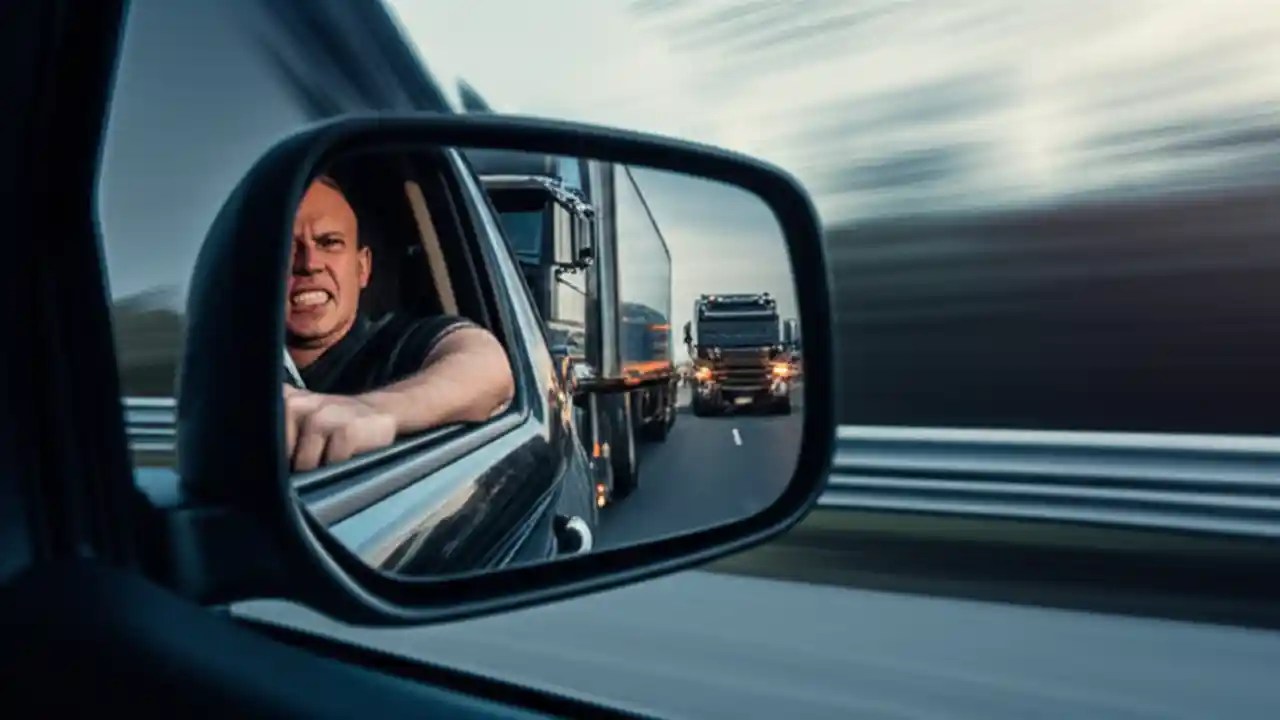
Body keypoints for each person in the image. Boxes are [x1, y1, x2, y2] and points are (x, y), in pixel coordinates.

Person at [282, 173, 515, 472]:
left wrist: (371, 412)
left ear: (362, 268)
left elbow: (486, 365)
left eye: (329, 242)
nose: (309, 263)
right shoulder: (228, 364)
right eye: (286, 247)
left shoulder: (397, 346)